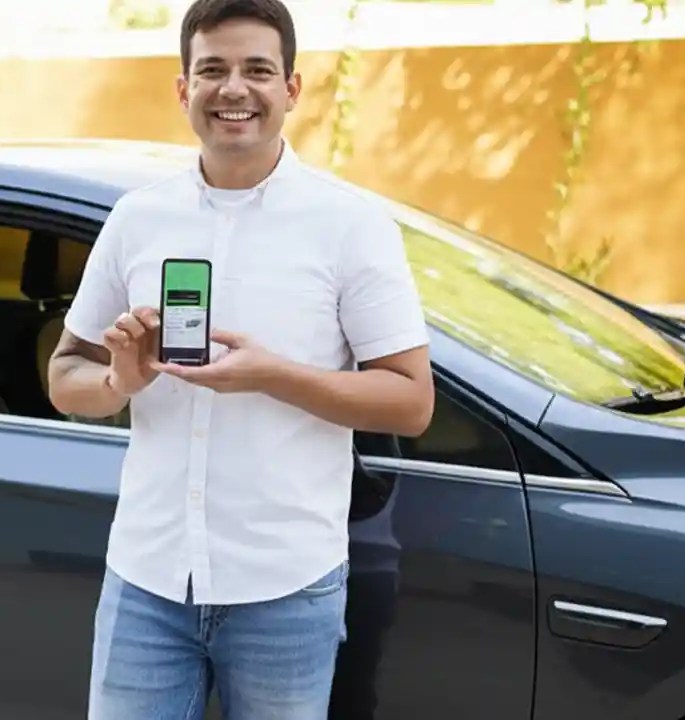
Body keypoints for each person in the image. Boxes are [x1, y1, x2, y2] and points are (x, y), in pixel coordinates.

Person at [46, 0, 434, 717]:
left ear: (291, 87)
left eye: (257, 69)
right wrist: (118, 379)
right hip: (146, 579)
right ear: (183, 88)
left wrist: (270, 376)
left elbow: (411, 402)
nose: (233, 89)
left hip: (285, 586)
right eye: (212, 70)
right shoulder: (139, 218)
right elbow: (66, 377)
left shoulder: (350, 225)